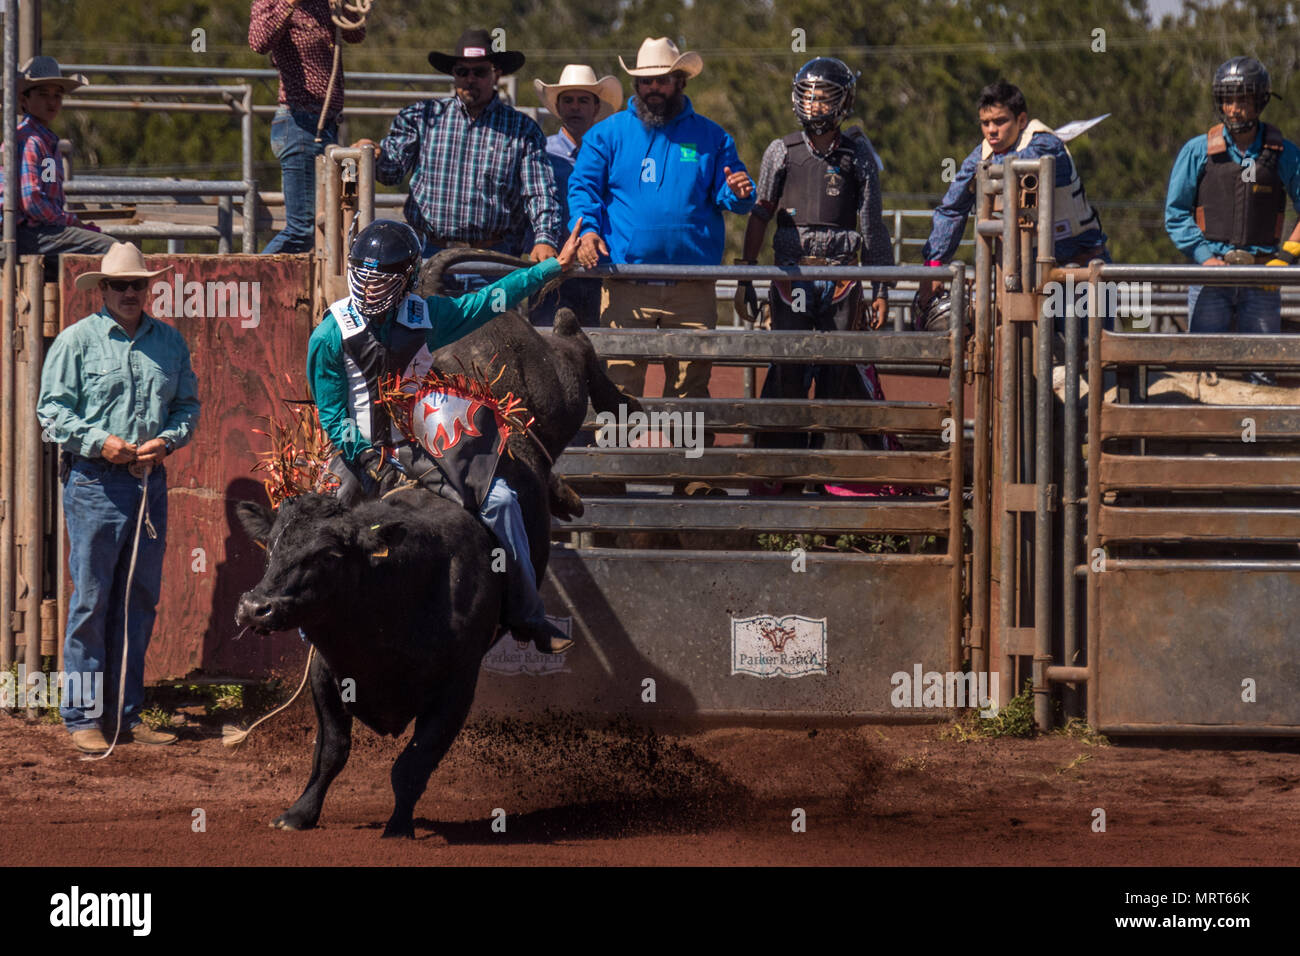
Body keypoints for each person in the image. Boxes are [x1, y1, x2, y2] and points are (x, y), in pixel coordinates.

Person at [307, 218, 585, 654]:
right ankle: (305, 622)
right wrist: (365, 459)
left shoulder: (426, 316)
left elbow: (491, 301)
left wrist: (552, 269)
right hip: (356, 454)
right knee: (314, 524)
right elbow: (334, 416)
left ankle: (527, 615)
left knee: (503, 502)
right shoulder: (329, 336)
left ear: (405, 281)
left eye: (381, 279)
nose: (371, 288)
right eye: (366, 277)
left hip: (421, 446)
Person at [36, 243, 201, 754]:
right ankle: (84, 716)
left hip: (148, 483)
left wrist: (167, 440)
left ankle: (125, 714)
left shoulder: (170, 343)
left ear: (147, 288)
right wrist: (99, 441)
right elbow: (51, 412)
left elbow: (187, 406)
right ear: (102, 290)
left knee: (139, 599)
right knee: (91, 600)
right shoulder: (75, 342)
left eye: (137, 285)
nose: (130, 293)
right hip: (93, 482)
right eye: (120, 285)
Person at [568, 37, 755, 402]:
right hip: (625, 282)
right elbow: (582, 189)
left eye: (662, 80)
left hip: (692, 286)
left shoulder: (713, 137)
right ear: (636, 84)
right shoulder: (606, 135)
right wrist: (588, 232)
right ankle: (615, 457)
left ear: (680, 81)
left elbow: (733, 194)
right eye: (645, 81)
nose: (653, 88)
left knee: (691, 386)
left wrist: (741, 192)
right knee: (618, 382)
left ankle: (686, 458)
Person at [738, 57, 894, 459]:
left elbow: (872, 225)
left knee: (837, 371)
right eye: (807, 97)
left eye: (824, 98)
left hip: (842, 277)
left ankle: (834, 474)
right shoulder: (781, 151)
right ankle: (781, 471)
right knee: (788, 369)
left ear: (843, 103)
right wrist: (745, 274)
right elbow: (761, 212)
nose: (814, 106)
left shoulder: (858, 155)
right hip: (792, 278)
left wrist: (881, 288)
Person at [357, 29, 560, 275]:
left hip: (494, 255)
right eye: (462, 72)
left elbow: (539, 191)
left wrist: (545, 237)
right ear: (454, 75)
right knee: (426, 313)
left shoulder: (523, 129)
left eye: (480, 72)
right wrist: (372, 155)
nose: (470, 79)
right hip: (429, 252)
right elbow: (391, 172)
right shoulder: (423, 117)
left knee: (497, 315)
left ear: (496, 74)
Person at [918, 79, 1109, 317]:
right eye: (985, 123)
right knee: (1024, 347)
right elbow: (952, 208)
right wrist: (934, 267)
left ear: (1021, 120)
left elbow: (1016, 165)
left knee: (1091, 347)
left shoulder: (1044, 142)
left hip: (1081, 262)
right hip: (1029, 273)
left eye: (1000, 121)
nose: (991, 130)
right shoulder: (983, 154)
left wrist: (982, 172)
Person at [1166, 56, 1300, 383]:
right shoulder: (1198, 151)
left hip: (1263, 276)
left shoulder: (1284, 153)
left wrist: (1283, 260)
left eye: (1242, 99)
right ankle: (1196, 432)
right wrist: (1205, 259)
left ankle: (1265, 433)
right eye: (1227, 99)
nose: (1234, 108)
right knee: (1201, 367)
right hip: (1211, 277)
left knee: (1264, 369)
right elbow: (1175, 213)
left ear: (1260, 101)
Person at [249, 0, 366, 254]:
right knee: (302, 230)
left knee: (325, 225)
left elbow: (356, 32)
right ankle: (251, 284)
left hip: (324, 127)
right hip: (299, 123)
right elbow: (258, 41)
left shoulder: (324, 4)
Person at [527, 64, 623, 328]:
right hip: (552, 268)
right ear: (559, 108)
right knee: (549, 345)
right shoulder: (541, 153)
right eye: (567, 100)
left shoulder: (613, 154)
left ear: (595, 107)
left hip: (601, 268)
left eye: (583, 100)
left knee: (599, 349)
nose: (575, 107)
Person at [1, 56, 115, 272]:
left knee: (96, 249)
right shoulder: (30, 140)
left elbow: (45, 191)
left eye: (57, 95)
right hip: (27, 233)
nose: (51, 102)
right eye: (43, 95)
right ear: (24, 100)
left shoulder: (45, 142)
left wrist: (66, 222)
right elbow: (32, 201)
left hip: (39, 232)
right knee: (111, 249)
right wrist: (70, 221)